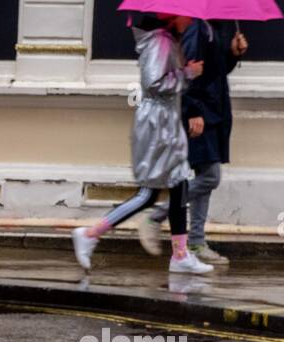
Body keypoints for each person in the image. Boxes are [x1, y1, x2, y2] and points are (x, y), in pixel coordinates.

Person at [73, 14, 211, 276]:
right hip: (157, 125)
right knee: (149, 193)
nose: (191, 22)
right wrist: (187, 73)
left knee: (179, 183)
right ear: (172, 16)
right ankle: (90, 234)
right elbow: (154, 83)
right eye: (188, 17)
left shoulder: (169, 40)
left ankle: (180, 255)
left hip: (166, 122)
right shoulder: (159, 41)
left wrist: (184, 71)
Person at [139, 19, 246, 264]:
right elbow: (183, 72)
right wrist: (192, 110)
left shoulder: (215, 27)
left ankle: (196, 242)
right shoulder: (196, 29)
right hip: (199, 115)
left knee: (205, 177)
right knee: (210, 177)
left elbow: (213, 72)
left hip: (213, 112)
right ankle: (156, 216)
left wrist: (232, 54)